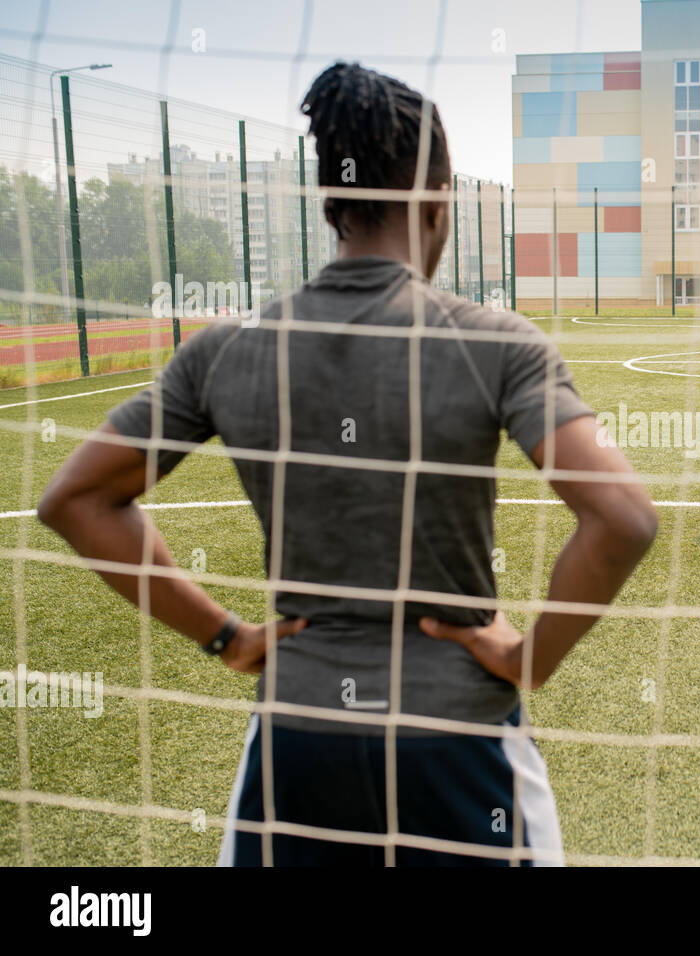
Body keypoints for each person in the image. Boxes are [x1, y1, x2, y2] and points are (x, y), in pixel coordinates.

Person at [36, 62, 658, 866]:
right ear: (439, 203)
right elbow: (624, 516)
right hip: (456, 738)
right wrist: (523, 659)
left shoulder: (227, 350)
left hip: (296, 741)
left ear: (330, 203)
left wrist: (226, 637)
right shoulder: (494, 342)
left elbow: (74, 499)